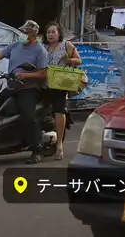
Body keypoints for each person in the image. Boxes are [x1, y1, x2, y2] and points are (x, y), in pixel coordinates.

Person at [0, 20, 48, 163]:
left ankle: (37, 149)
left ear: (33, 35)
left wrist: (25, 75)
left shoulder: (40, 50)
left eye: (25, 32)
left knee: (28, 117)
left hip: (28, 89)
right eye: (22, 31)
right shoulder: (14, 46)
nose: (22, 34)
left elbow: (43, 73)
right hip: (12, 86)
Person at [43, 21, 81, 161]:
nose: (50, 34)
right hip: (44, 83)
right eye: (48, 32)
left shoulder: (66, 45)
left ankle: (59, 145)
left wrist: (68, 59)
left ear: (59, 34)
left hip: (59, 83)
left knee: (59, 111)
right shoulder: (43, 47)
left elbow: (79, 61)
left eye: (53, 32)